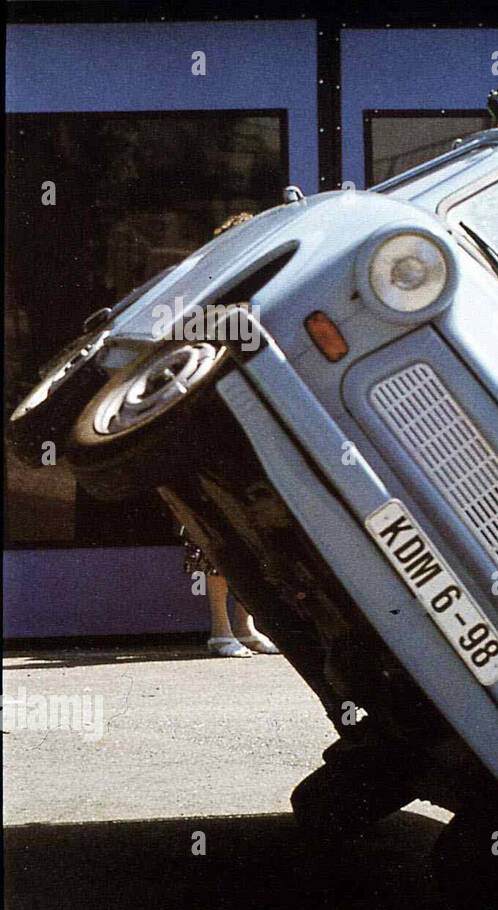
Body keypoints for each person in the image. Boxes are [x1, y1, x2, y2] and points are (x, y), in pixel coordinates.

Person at [182, 209, 277, 658]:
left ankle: (244, 623)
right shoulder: (211, 300)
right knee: (217, 530)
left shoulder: (249, 296)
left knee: (249, 530)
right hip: (215, 424)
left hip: (245, 421)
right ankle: (220, 628)